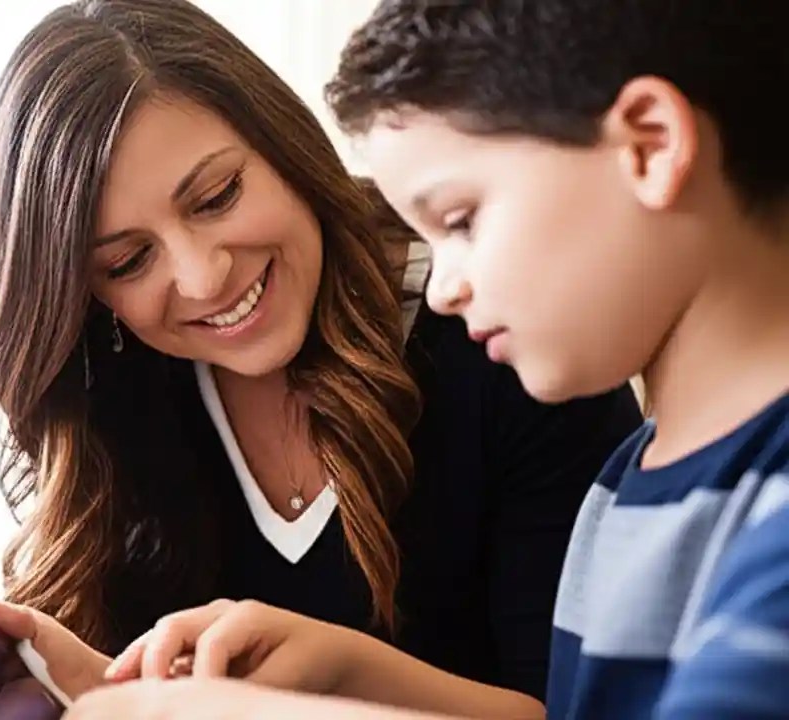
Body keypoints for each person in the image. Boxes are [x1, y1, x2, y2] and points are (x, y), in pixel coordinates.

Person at [53, 1, 789, 718]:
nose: (439, 286)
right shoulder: (629, 489)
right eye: (128, 260)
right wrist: (333, 673)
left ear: (651, 146)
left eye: (462, 220)